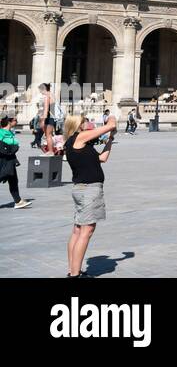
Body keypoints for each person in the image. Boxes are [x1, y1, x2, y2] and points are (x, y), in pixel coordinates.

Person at [64, 112, 117, 277]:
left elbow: (102, 158)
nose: (88, 123)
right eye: (85, 121)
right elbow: (111, 125)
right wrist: (112, 118)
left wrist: (110, 140)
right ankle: (75, 274)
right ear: (79, 124)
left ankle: (73, 270)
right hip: (89, 190)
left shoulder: (77, 142)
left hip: (81, 189)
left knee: (78, 231)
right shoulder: (80, 137)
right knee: (86, 232)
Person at [0, 115, 33, 208]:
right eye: (15, 120)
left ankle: (18, 201)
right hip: (3, 160)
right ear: (9, 122)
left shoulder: (10, 132)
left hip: (10, 159)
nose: (17, 121)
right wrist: (13, 147)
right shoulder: (1, 132)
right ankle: (18, 201)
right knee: (4, 177)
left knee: (13, 180)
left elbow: (14, 145)